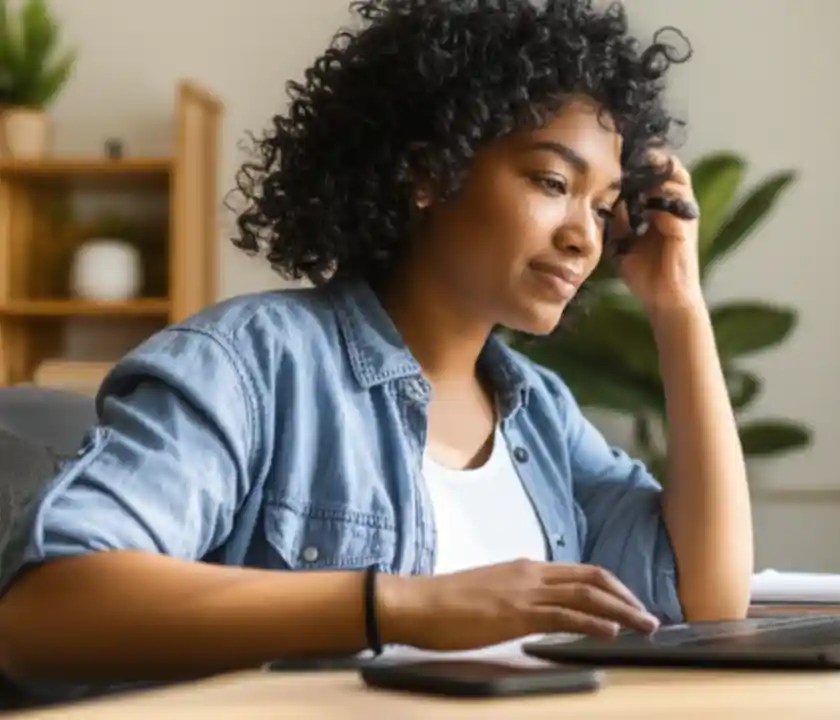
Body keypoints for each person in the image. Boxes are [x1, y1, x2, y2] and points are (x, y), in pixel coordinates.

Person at [0, 0, 752, 693]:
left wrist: (678, 302)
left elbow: (703, 597)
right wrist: (396, 605)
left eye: (604, 205)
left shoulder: (540, 414)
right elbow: (44, 612)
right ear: (429, 171)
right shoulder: (253, 364)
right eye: (552, 181)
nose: (584, 235)